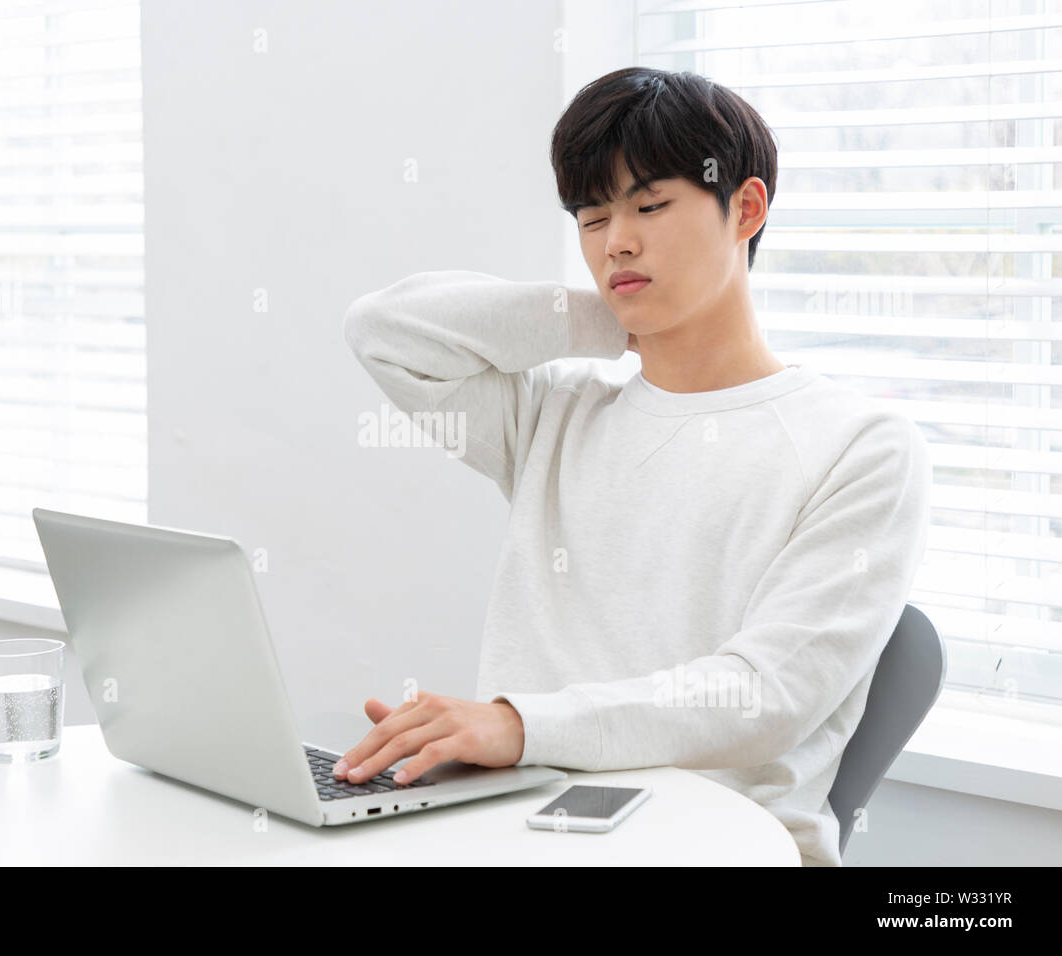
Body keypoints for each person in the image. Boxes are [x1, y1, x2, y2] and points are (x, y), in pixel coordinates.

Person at [338, 67, 931, 866]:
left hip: (709, 846)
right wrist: (612, 316)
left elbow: (765, 693)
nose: (616, 239)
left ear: (745, 209)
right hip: (511, 831)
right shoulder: (557, 414)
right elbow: (383, 330)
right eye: (591, 216)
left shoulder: (863, 444)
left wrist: (519, 725)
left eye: (650, 206)